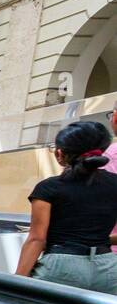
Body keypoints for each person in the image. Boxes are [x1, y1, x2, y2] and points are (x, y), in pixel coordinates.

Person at [16, 119, 117, 292]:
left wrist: (16, 284)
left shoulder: (48, 187)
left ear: (59, 154)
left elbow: (37, 239)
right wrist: (97, 240)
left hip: (60, 266)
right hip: (108, 267)